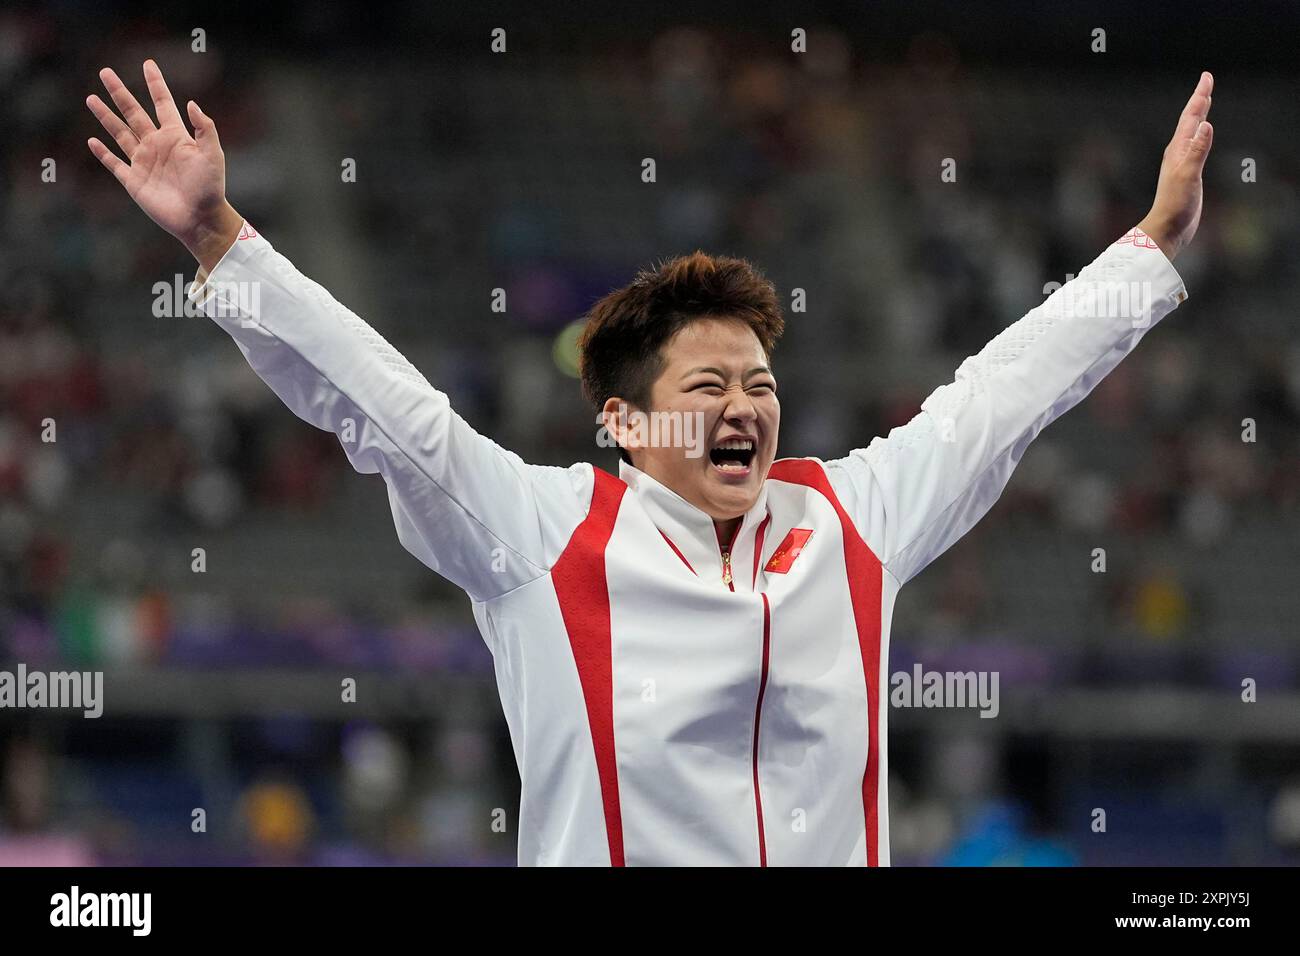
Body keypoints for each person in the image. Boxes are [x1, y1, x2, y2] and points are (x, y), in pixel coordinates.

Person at [86, 60, 1215, 865]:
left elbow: (997, 401)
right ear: (624, 422)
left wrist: (1150, 245)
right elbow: (390, 413)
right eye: (709, 388)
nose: (746, 409)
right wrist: (219, 236)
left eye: (761, 386)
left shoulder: (850, 517)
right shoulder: (544, 534)